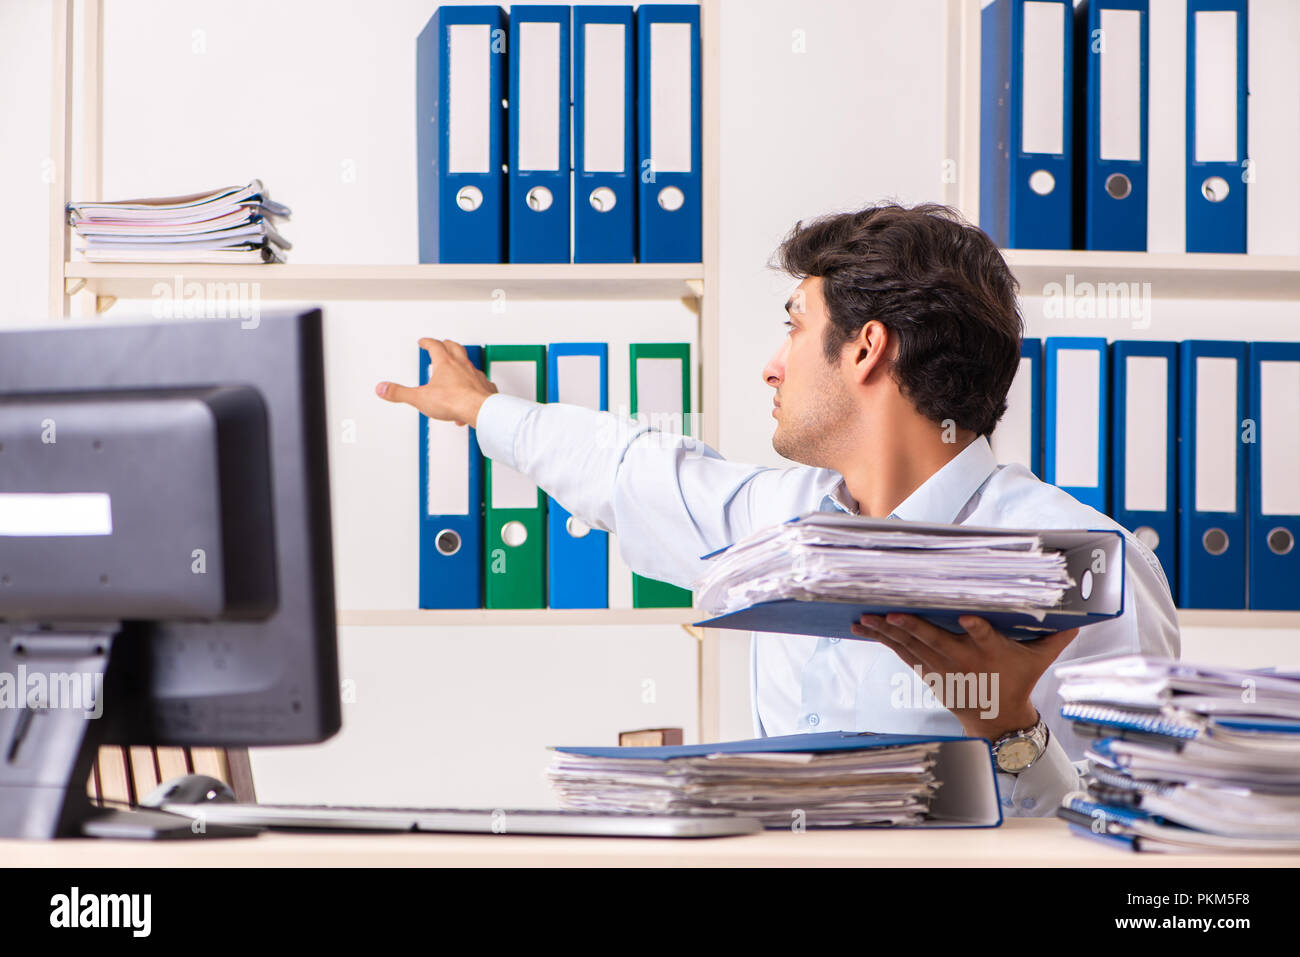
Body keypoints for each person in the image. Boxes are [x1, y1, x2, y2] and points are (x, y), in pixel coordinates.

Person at [376, 202, 1179, 817]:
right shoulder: (777, 525)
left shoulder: (1083, 564)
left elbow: (1152, 855)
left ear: (866, 348)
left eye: (794, 327)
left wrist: (1008, 728)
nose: (771, 367)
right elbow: (627, 470)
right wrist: (484, 410)